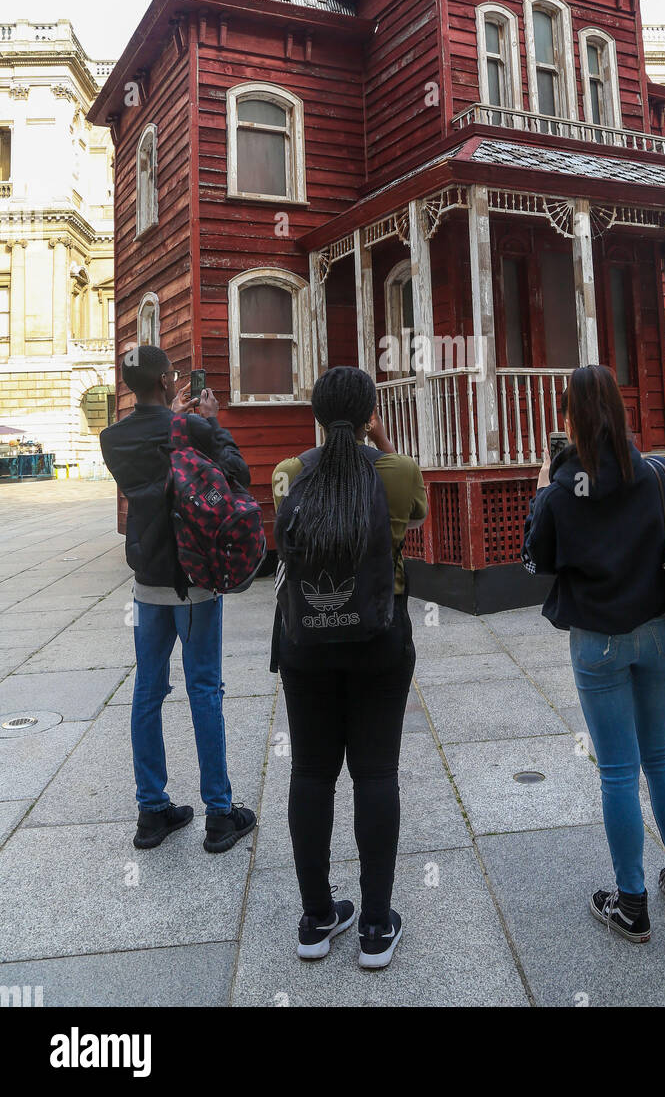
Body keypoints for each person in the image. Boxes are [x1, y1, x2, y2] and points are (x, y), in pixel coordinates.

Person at [522, 363, 665, 943]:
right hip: (659, 631)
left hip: (598, 639)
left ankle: (632, 902)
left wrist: (540, 492)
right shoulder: (657, 474)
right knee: (661, 755)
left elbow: (534, 561)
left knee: (619, 771)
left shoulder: (560, 491)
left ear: (570, 420)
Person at [271, 365, 427, 969]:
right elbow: (418, 515)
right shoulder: (398, 473)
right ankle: (376, 927)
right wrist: (381, 440)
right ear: (369, 416)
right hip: (378, 639)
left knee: (311, 772)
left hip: (306, 642)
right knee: (375, 773)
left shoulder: (289, 473)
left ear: (316, 415)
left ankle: (316, 919)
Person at [100, 344, 257, 854]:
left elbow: (153, 473)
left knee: (148, 692)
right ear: (167, 380)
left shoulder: (111, 438)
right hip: (197, 579)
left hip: (148, 581)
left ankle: (152, 811)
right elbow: (238, 474)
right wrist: (211, 422)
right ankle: (219, 814)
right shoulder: (191, 428)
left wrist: (177, 419)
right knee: (204, 690)